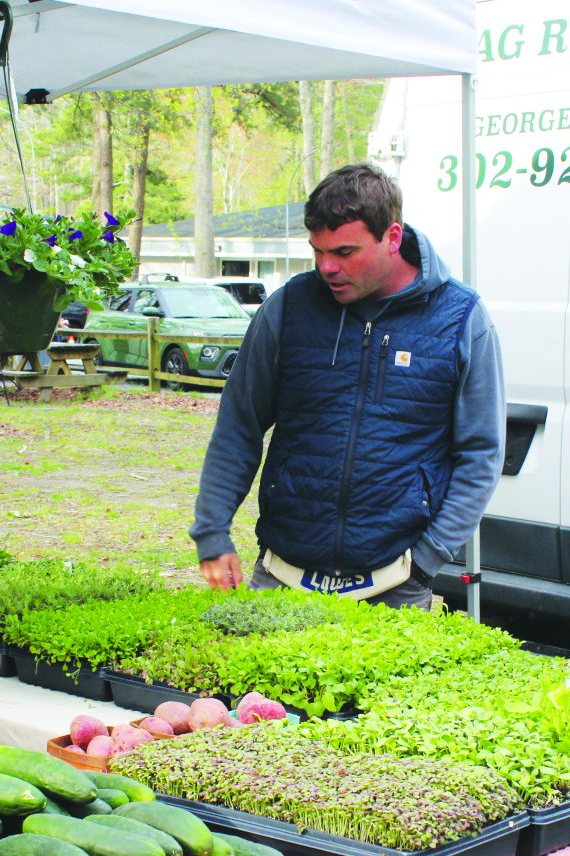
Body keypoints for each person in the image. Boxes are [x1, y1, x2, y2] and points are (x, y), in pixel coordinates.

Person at [191, 163, 505, 610]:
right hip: (282, 576)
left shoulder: (461, 319)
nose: (327, 267)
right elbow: (239, 426)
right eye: (318, 251)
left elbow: (481, 453)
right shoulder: (288, 309)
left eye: (344, 251)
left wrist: (427, 558)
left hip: (395, 583)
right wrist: (212, 530)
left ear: (392, 238)